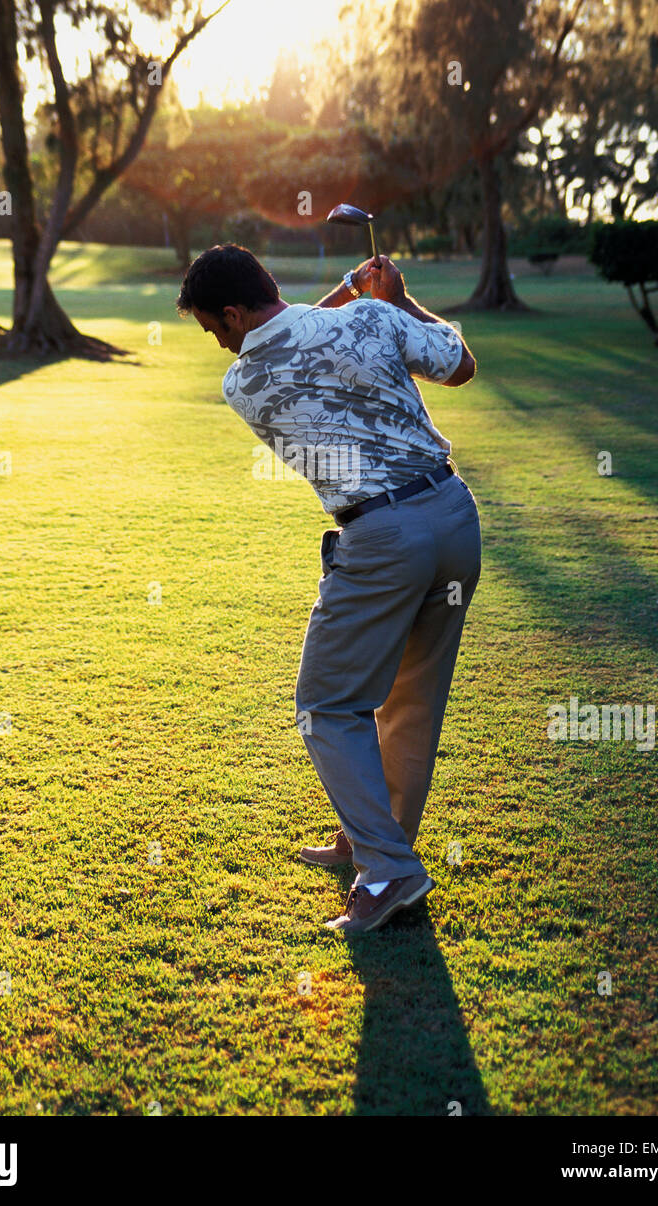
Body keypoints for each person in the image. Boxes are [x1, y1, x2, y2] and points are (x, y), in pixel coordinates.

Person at [177, 244, 481, 933]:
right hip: (455, 518)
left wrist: (352, 293)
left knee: (326, 705)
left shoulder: (245, 384)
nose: (219, 345)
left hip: (382, 540)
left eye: (215, 329)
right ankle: (375, 838)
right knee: (410, 699)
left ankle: (389, 869)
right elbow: (460, 363)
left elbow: (292, 339)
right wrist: (392, 300)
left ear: (231, 314)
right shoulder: (374, 320)